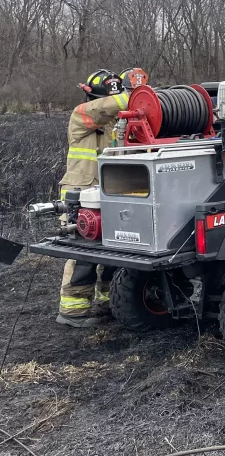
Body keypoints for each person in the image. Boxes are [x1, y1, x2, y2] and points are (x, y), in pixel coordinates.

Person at [56, 68, 139, 327]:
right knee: (83, 253)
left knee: (113, 249)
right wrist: (133, 96)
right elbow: (102, 109)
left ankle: (107, 302)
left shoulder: (117, 123)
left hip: (109, 195)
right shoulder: (81, 116)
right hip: (79, 195)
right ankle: (73, 310)